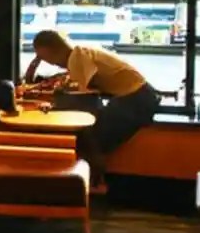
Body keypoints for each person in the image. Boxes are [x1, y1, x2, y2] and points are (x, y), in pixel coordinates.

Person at [25, 29, 159, 184]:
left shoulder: (77, 58)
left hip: (136, 99)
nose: (50, 63)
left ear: (51, 51)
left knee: (89, 136)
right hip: (140, 96)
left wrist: (53, 107)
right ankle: (90, 179)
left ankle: (87, 179)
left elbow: (82, 99)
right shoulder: (80, 53)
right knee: (89, 134)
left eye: (45, 57)